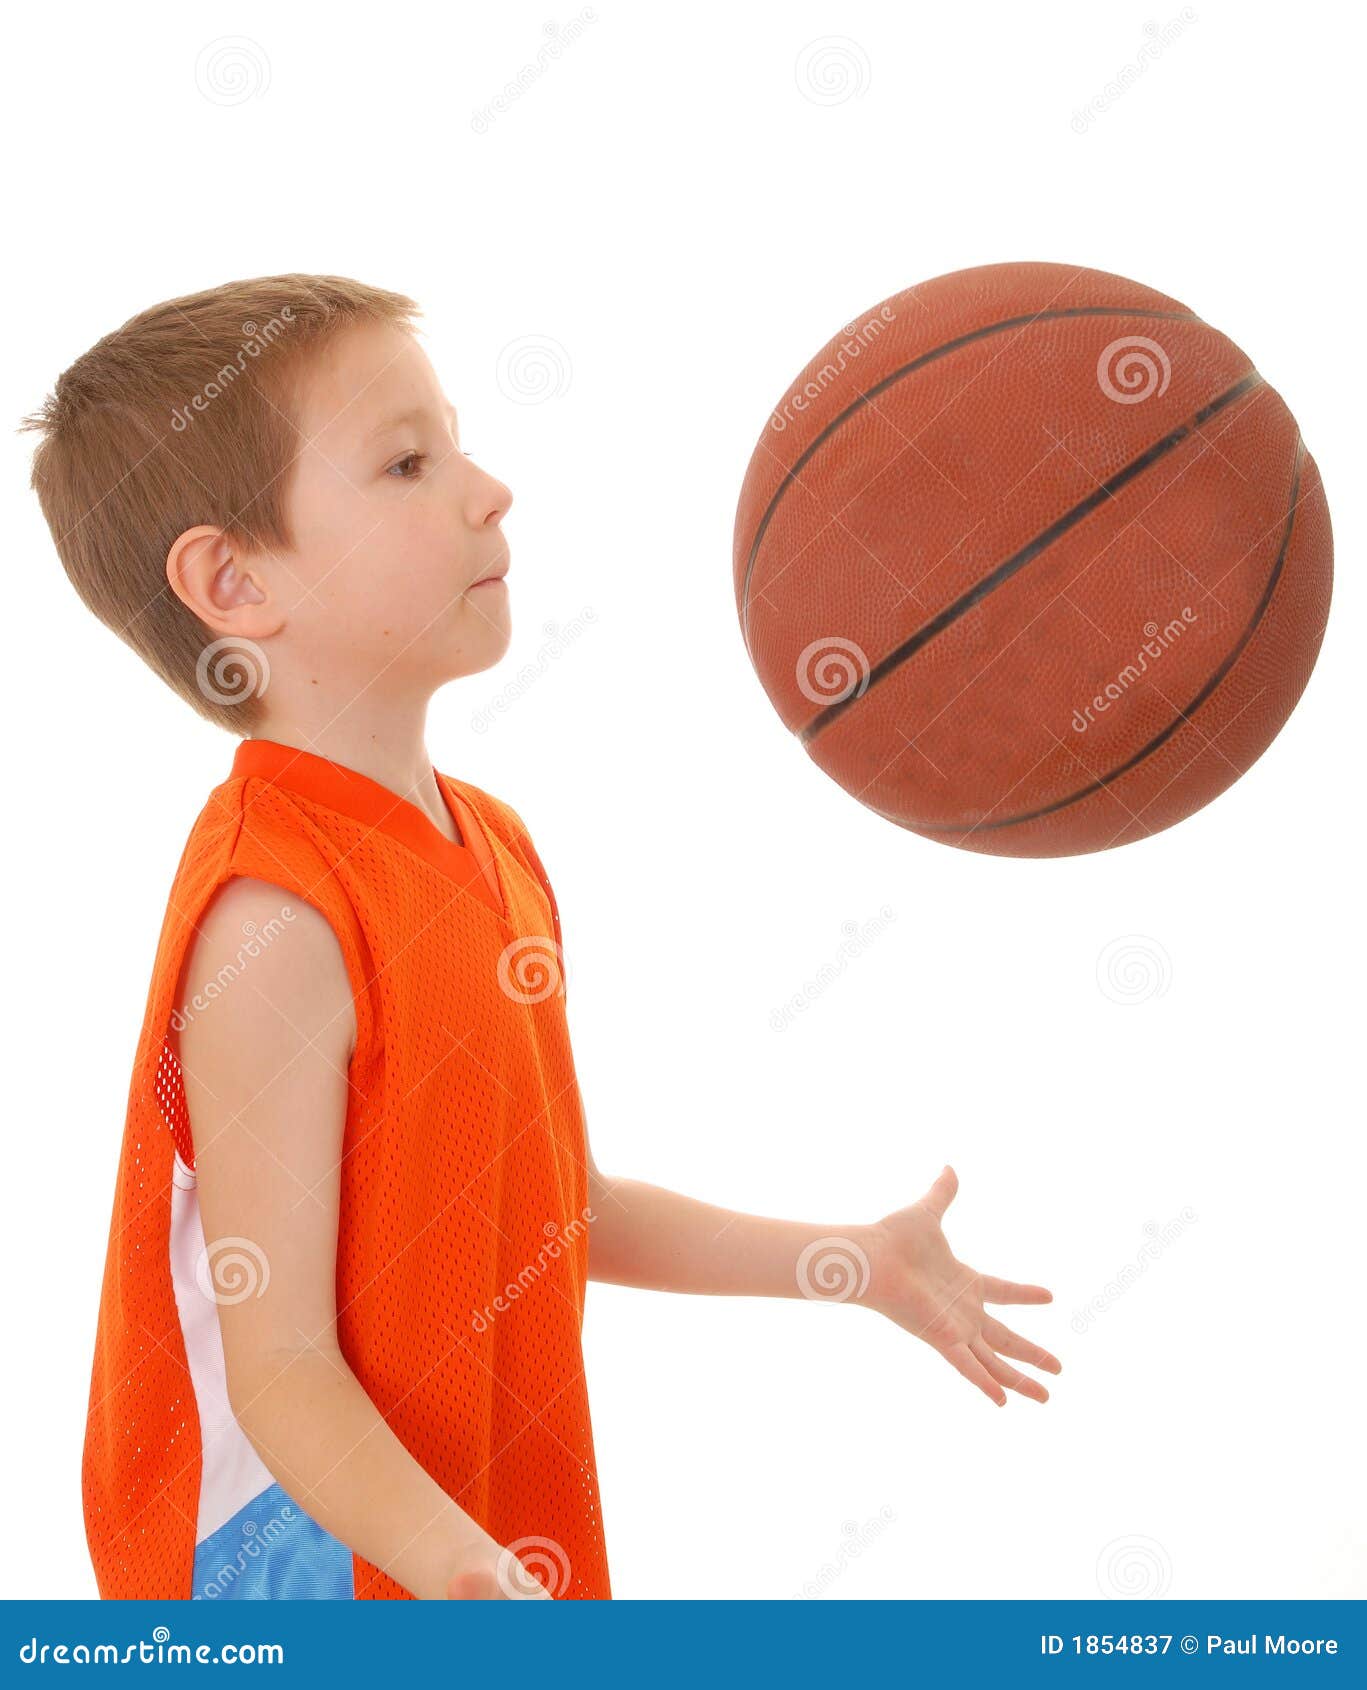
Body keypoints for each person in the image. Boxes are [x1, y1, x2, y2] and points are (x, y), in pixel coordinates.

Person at [23, 274, 1060, 1601]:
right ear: (232, 577)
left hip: (473, 1551)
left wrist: (850, 1259)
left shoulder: (490, 845)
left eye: (453, 441)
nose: (486, 488)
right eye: (407, 461)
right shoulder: (273, 920)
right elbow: (278, 1362)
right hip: (300, 1581)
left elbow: (562, 1211)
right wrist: (456, 1561)